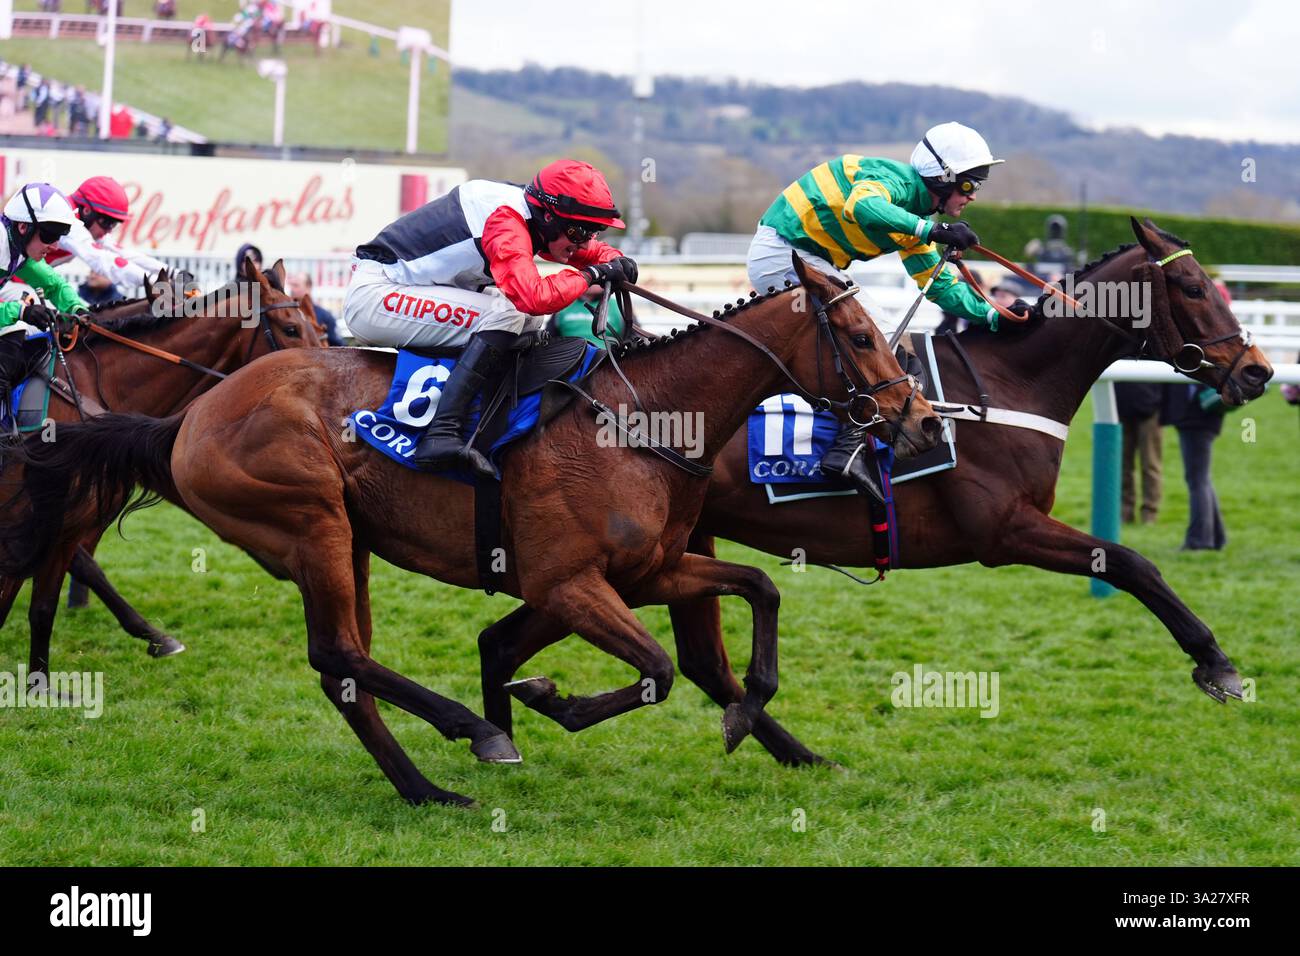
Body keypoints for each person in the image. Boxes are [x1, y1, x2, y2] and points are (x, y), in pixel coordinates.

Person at [747, 122, 1031, 498]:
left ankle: (855, 445)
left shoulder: (916, 221)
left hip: (802, 259)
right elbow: (863, 206)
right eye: (968, 185)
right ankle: (847, 450)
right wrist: (934, 232)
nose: (972, 196)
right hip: (784, 254)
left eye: (976, 186)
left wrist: (997, 315)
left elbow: (941, 286)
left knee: (885, 344)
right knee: (878, 340)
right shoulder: (892, 180)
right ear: (943, 178)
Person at [343, 158, 635, 476]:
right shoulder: (507, 220)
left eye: (594, 230)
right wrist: (594, 273)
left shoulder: (535, 215)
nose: (584, 239)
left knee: (526, 319)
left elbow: (583, 250)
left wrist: (615, 259)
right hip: (376, 295)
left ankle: (493, 413)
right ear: (548, 217)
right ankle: (442, 433)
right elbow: (533, 296)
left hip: (407, 288)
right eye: (580, 230)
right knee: (509, 312)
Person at [0, 184, 89, 399]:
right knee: (17, 329)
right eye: (49, 235)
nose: (55, 246)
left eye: (60, 236)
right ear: (23, 227)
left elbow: (54, 284)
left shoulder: (17, 249)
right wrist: (21, 312)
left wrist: (79, 309)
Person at [43, 177, 167, 297]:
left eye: (113, 225)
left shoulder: (87, 224)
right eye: (107, 222)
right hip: (25, 278)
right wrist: (154, 281)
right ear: (86, 211)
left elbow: (125, 254)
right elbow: (102, 260)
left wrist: (172, 273)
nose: (108, 231)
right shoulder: (67, 219)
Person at [1162, 382, 1229, 550]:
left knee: (1197, 481)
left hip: (1196, 419)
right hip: (1199, 418)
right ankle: (1216, 537)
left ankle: (1199, 540)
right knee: (1201, 479)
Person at [1115, 382, 1163, 524]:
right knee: (1123, 465)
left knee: (1150, 464)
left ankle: (1150, 514)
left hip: (1151, 409)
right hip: (1121, 408)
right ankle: (1125, 513)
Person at [287, 272, 344, 346]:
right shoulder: (287, 314)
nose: (292, 289)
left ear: (308, 287)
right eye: (291, 285)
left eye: (296, 285)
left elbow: (338, 345)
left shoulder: (325, 316)